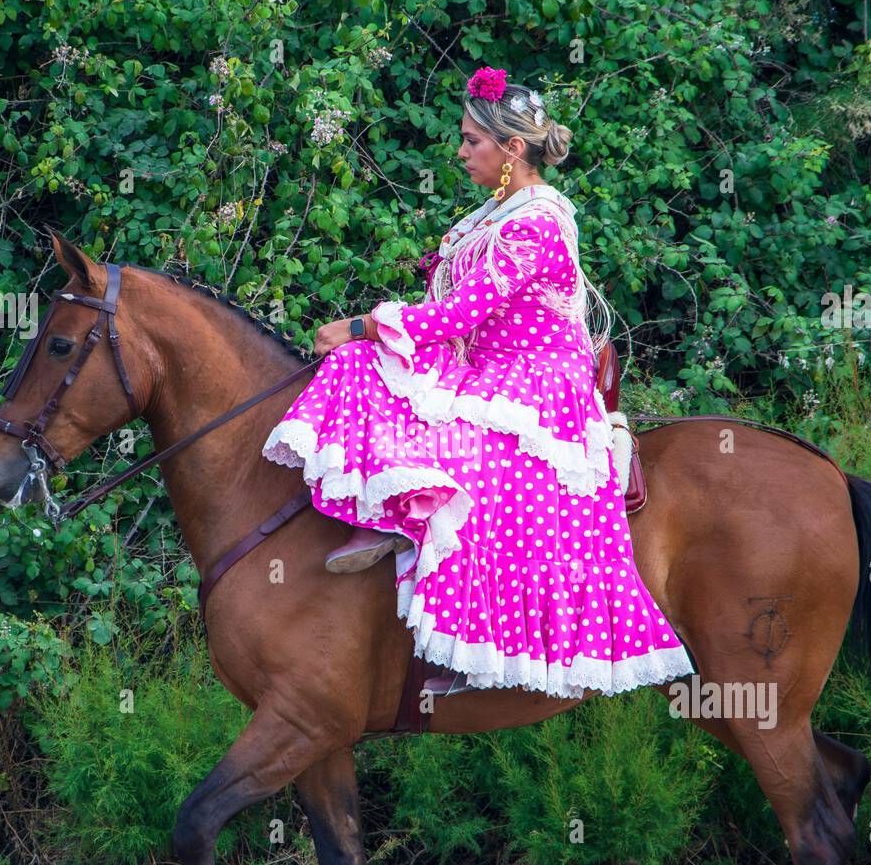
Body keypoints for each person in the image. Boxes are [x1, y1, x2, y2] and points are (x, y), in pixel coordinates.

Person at [262, 66, 694, 700]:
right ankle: (386, 516)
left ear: (512, 150)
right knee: (360, 369)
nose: (461, 152)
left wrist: (361, 323)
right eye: (464, 140)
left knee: (480, 464)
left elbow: (462, 314)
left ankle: (484, 648)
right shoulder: (498, 212)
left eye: (472, 141)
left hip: (537, 385)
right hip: (487, 368)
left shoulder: (538, 222)